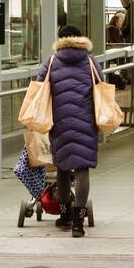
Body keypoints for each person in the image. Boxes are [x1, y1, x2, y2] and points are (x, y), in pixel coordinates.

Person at [38, 24, 102, 237]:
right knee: (82, 169)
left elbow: (39, 85)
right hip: (86, 123)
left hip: (60, 123)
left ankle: (64, 216)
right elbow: (101, 84)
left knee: (63, 169)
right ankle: (78, 223)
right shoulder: (90, 62)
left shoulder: (53, 62)